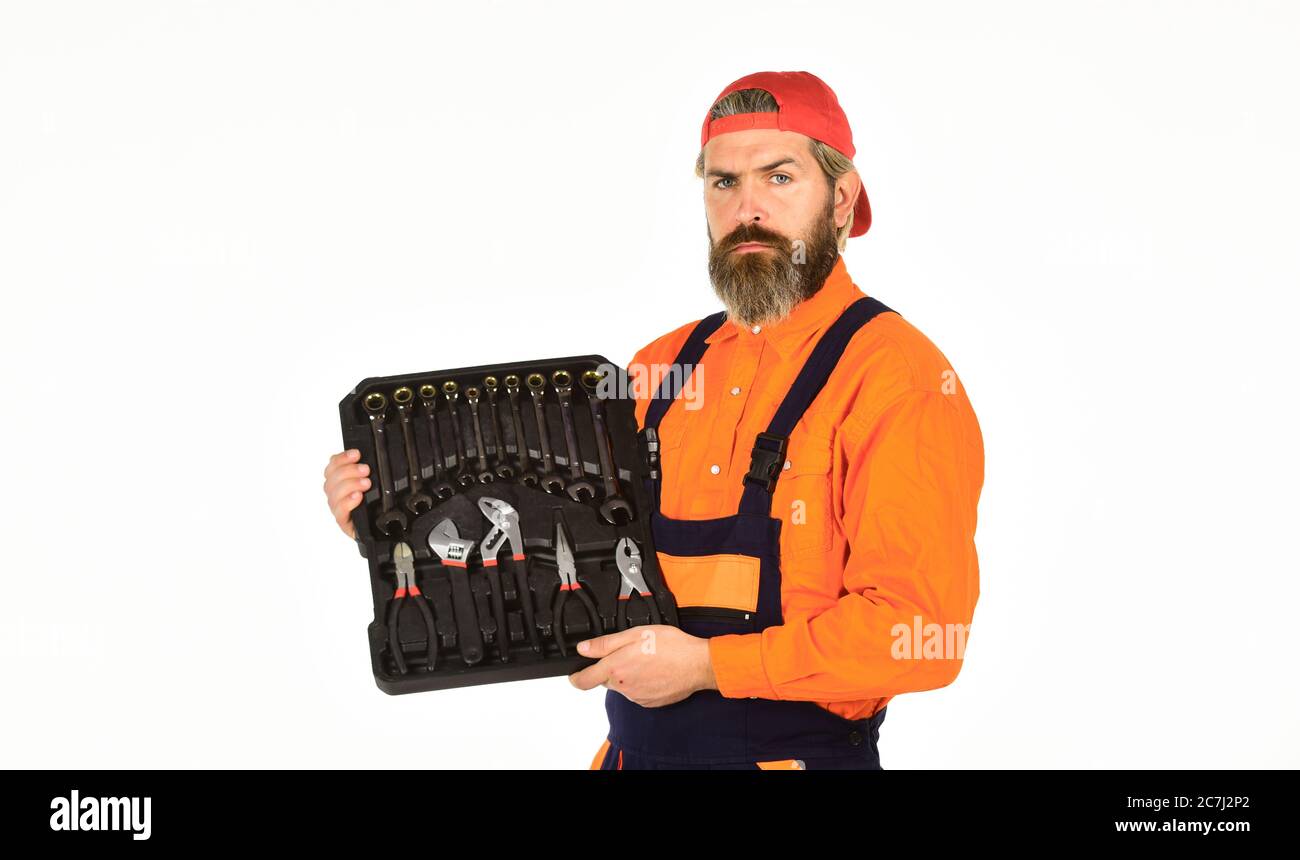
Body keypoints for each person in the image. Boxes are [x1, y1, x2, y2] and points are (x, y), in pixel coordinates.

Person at [323, 71, 984, 771]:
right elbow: (556, 536)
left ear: (842, 198)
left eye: (779, 177)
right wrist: (389, 513)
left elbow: (918, 633)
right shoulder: (660, 369)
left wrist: (707, 667)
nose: (747, 209)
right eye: (723, 182)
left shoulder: (895, 378)